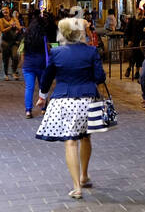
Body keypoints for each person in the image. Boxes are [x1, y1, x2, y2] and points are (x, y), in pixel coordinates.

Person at [35, 18, 108, 199]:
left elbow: (46, 77)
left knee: (70, 141)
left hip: (64, 100)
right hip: (87, 99)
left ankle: (77, 187)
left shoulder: (57, 53)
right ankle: (84, 176)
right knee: (85, 137)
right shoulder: (91, 51)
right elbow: (100, 77)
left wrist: (42, 96)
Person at [21, 14, 50, 119]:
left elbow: (23, 50)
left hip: (28, 65)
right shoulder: (43, 37)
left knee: (29, 88)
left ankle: (28, 110)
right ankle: (43, 108)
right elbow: (47, 50)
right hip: (41, 64)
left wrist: (23, 62)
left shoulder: (26, 36)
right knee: (43, 87)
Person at [0, 8, 20, 80]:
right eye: (3, 10)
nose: (5, 11)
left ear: (9, 11)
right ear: (1, 12)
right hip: (4, 41)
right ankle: (5, 74)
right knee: (5, 58)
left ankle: (14, 72)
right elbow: (2, 30)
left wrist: (16, 26)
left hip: (14, 41)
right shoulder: (0, 20)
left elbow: (19, 28)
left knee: (15, 57)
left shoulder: (14, 19)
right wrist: (11, 27)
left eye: (6, 9)